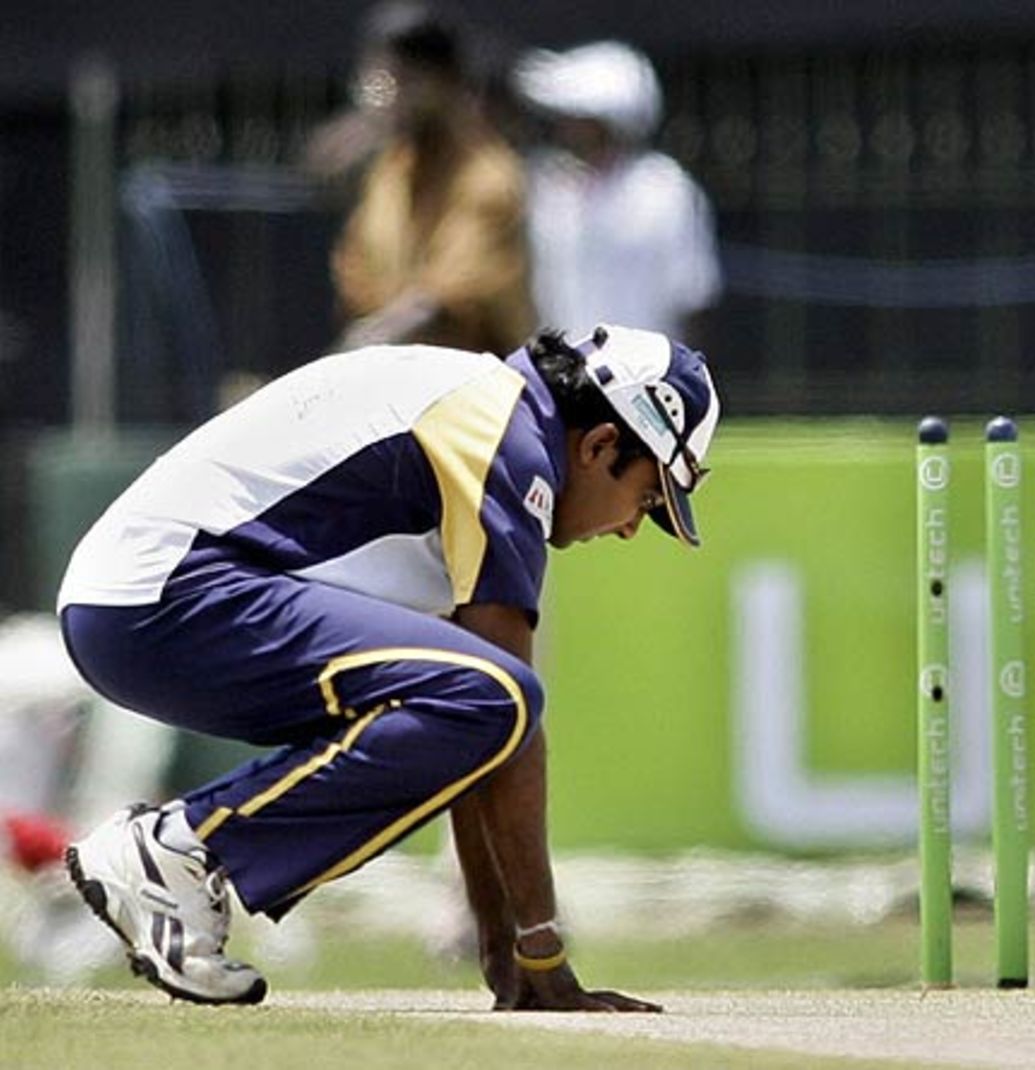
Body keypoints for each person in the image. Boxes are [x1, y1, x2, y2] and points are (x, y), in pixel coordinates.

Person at [57, 323, 720, 1009]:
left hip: (134, 604)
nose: (632, 528)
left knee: (479, 700)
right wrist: (543, 950)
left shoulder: (488, 407)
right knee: (497, 695)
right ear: (601, 445)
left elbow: (479, 742)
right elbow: (506, 718)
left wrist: (504, 952)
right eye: (647, 498)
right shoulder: (507, 441)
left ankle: (185, 854)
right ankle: (181, 847)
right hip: (169, 594)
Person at [308, 1, 535, 355]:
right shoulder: (391, 170)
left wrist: (363, 344)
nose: (388, 98)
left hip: (476, 387)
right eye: (379, 83)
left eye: (405, 82)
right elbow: (359, 274)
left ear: (446, 84)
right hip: (399, 385)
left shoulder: (488, 175)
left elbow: (444, 298)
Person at [513, 41, 722, 341]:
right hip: (561, 375)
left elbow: (692, 295)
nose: (565, 127)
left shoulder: (664, 189)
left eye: (579, 119)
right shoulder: (548, 188)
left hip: (640, 376)